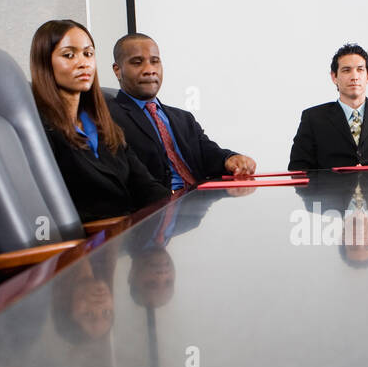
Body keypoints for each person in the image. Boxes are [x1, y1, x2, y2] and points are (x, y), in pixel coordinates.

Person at [30, 20, 169, 222]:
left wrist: (180, 209)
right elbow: (51, 213)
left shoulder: (102, 123)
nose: (83, 62)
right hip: (91, 244)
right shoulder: (39, 127)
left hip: (127, 238)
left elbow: (145, 186)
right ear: (45, 62)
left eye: (88, 53)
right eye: (69, 55)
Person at [106, 33, 256, 191]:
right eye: (137, 63)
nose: (149, 70)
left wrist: (230, 158)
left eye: (155, 62)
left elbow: (208, 153)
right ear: (117, 70)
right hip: (156, 207)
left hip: (196, 202)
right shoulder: (108, 117)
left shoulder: (183, 118)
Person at [288, 43, 368, 170]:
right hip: (332, 192)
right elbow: (298, 170)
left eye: (360, 70)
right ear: (334, 77)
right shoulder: (313, 119)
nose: (355, 77)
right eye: (346, 70)